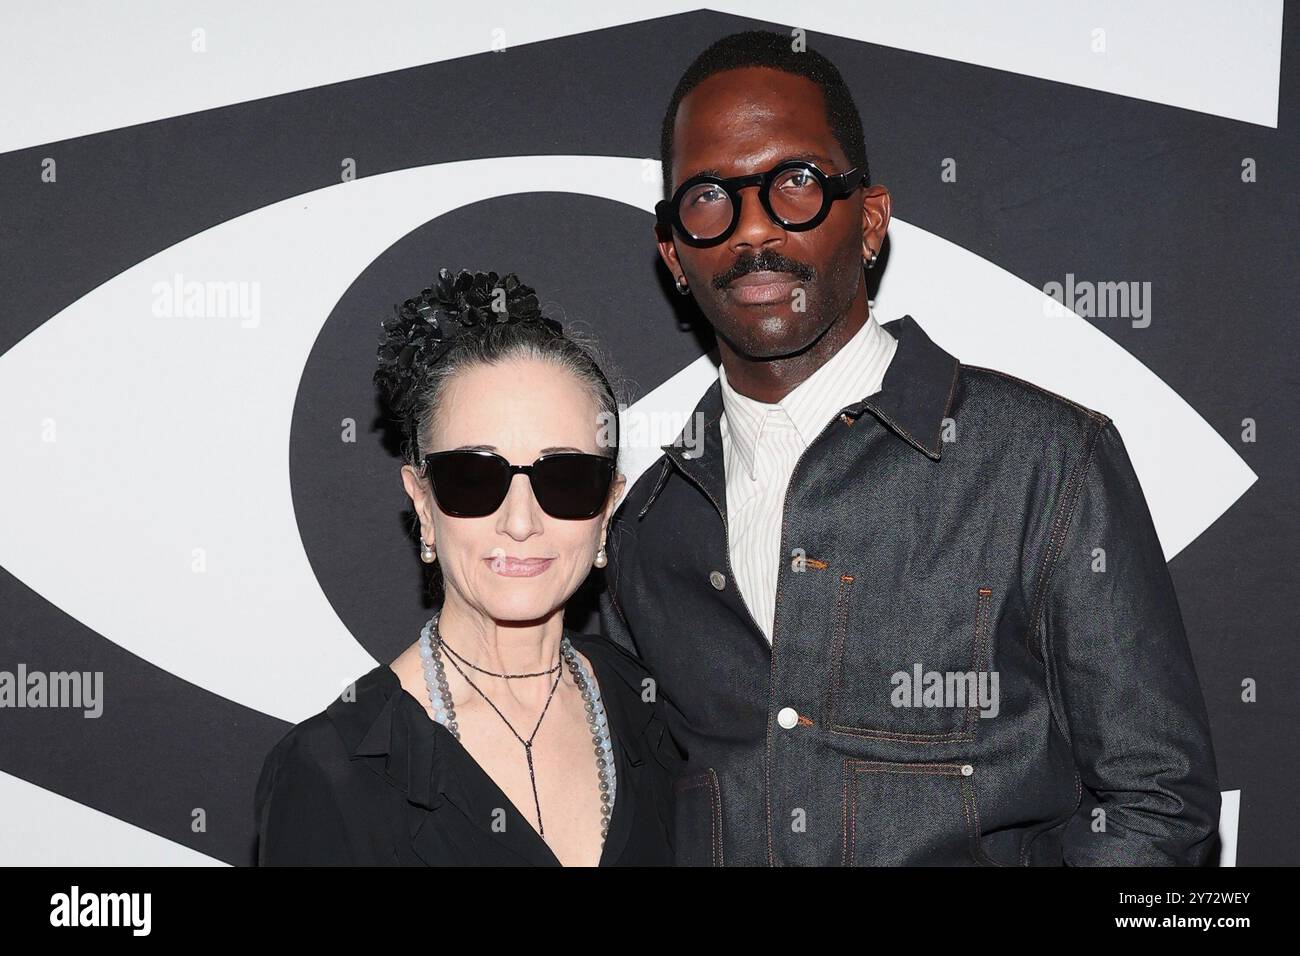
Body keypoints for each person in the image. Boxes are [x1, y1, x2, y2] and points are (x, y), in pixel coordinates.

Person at [599, 30, 1220, 866]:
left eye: (795, 183)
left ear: (870, 221)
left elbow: (1157, 803)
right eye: (708, 197)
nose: (753, 232)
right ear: (674, 253)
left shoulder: (1044, 462)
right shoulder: (647, 523)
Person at [255, 268, 680, 866]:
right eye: (475, 479)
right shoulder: (332, 770)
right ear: (423, 503)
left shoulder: (652, 709)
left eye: (565, 479)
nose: (521, 520)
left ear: (608, 507)